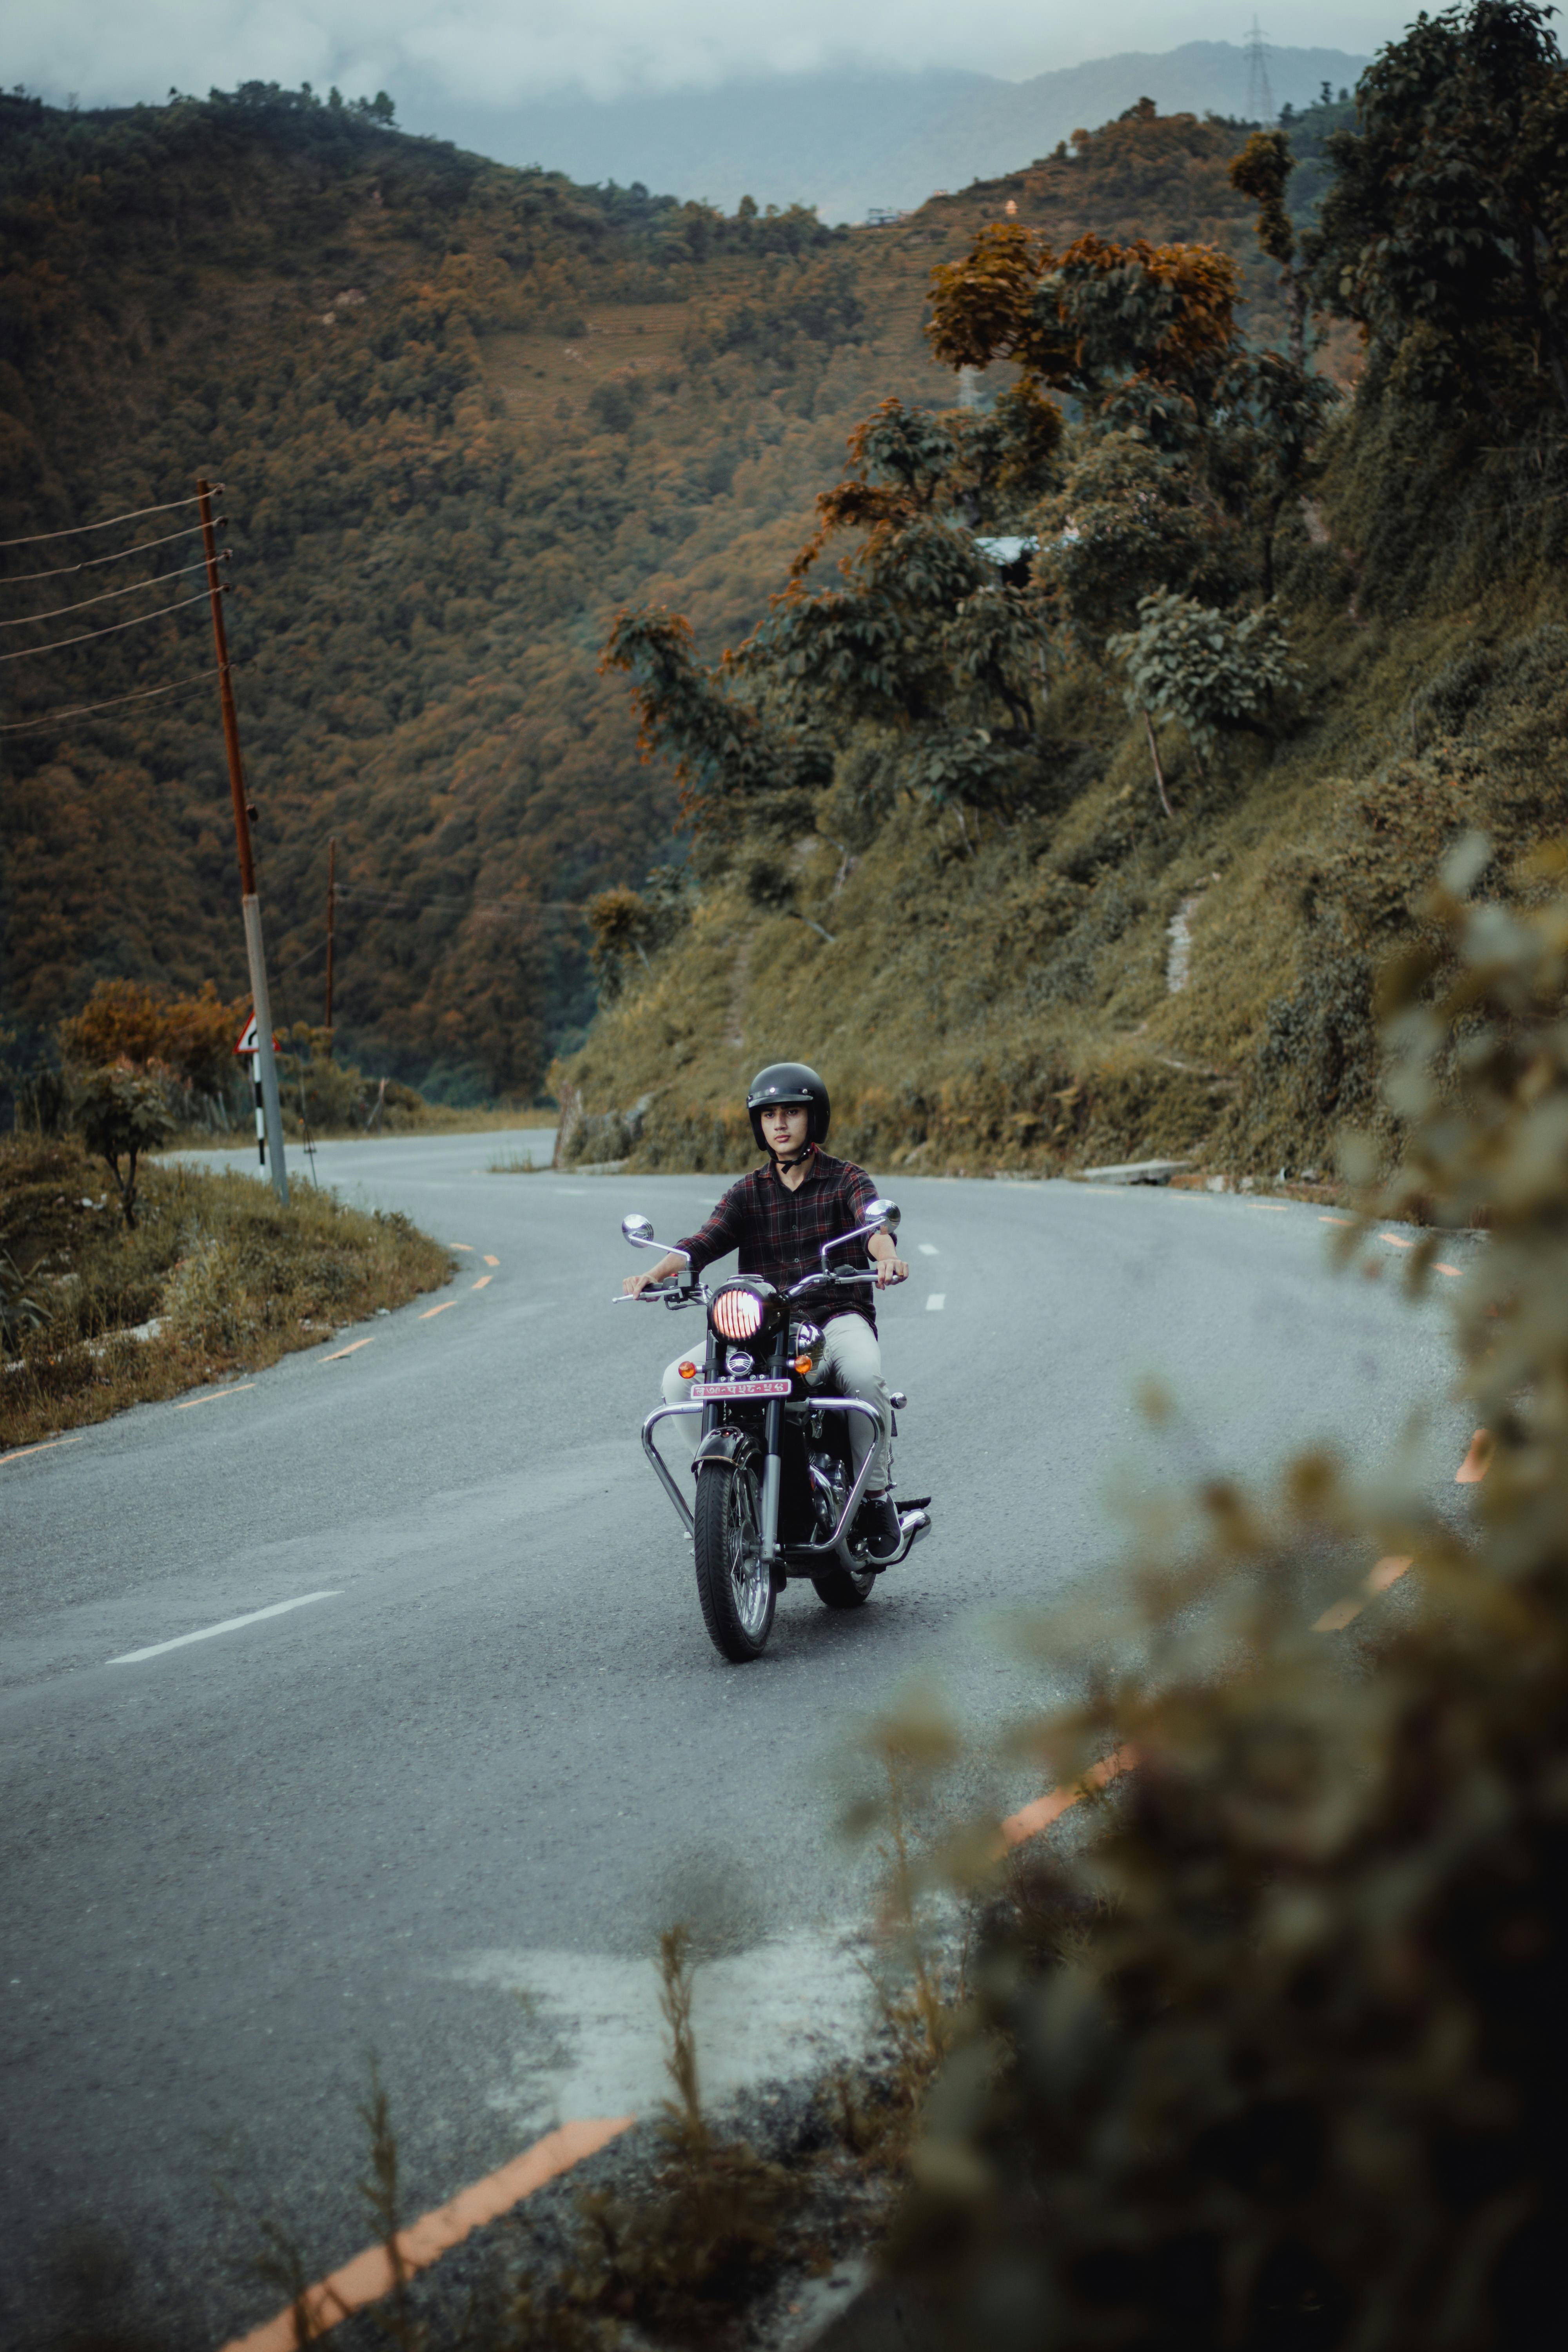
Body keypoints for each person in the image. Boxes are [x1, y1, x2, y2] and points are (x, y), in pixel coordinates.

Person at [623, 1062, 909, 1560]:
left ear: (813, 1119)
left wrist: (885, 1260)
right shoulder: (747, 1193)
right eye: (770, 1115)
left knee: (863, 1379)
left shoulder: (846, 1179)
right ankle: (730, 1493)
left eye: (792, 1113)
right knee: (677, 1382)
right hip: (763, 1328)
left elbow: (874, 1229)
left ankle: (875, 1498)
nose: (779, 1124)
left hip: (834, 1316)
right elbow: (702, 1242)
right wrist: (656, 1274)